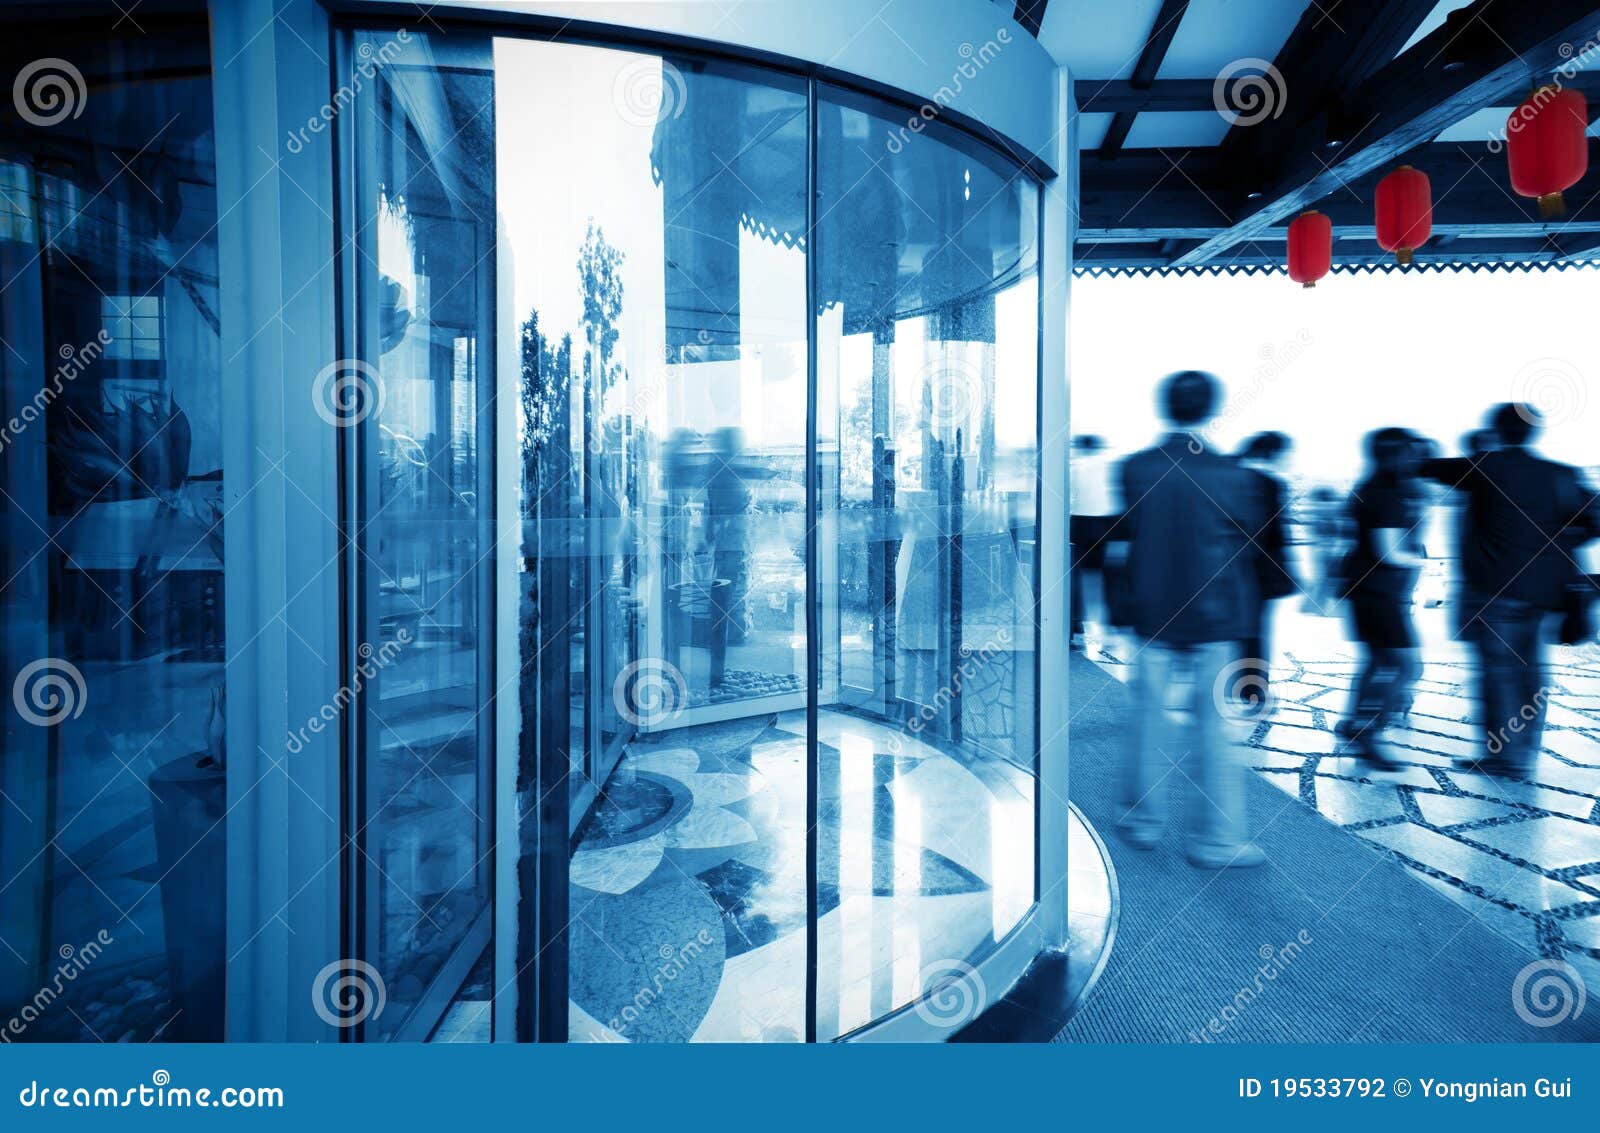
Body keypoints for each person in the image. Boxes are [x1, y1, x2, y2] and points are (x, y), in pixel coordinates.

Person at [1112, 371, 1267, 869]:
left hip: (1152, 611)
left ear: (1166, 406)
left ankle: (1142, 820)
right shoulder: (1234, 475)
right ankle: (1215, 840)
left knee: (1147, 717)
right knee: (1215, 728)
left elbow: (1126, 538)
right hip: (1215, 614)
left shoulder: (1134, 469)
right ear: (1210, 409)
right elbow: (1246, 545)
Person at [1420, 404, 1600, 774]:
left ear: (1496, 430)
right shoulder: (1562, 474)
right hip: (1545, 594)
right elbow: (1594, 521)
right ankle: (1523, 753)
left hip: (1496, 591)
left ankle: (1504, 756)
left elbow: (1428, 467)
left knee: (1499, 672)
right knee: (1531, 673)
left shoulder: (1487, 467)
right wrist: (1556, 544)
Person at [1338, 428, 1427, 764]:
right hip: (1379, 593)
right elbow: (1389, 552)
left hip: (1366, 591)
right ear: (1396, 456)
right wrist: (1423, 560)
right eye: (1411, 453)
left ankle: (1354, 724)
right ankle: (1370, 733)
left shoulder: (1369, 488)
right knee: (1406, 666)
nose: (1417, 459)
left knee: (1377, 661)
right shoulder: (1387, 495)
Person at [1234, 432, 1297, 712]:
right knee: (1255, 631)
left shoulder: (1228, 476)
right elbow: (1276, 534)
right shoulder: (1269, 483)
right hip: (1258, 570)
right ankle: (1252, 691)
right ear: (1272, 453)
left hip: (1223, 569)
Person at [1069, 434, 1118, 650]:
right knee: (1106, 576)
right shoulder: (1109, 468)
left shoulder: (1075, 468)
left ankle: (1077, 623)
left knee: (1074, 573)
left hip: (1080, 522)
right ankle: (1109, 625)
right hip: (1106, 523)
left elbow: (1070, 497)